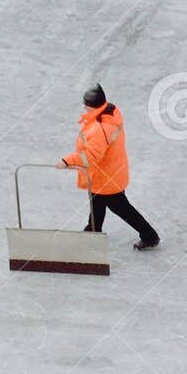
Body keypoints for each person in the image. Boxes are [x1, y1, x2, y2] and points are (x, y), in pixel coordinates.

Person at [58, 84, 160, 250]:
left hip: (106, 175)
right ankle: (93, 229)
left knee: (120, 207)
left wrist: (67, 161)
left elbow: (91, 156)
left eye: (86, 105)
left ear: (93, 106)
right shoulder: (109, 114)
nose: (84, 107)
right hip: (107, 172)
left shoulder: (101, 128)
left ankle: (149, 235)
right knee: (97, 201)